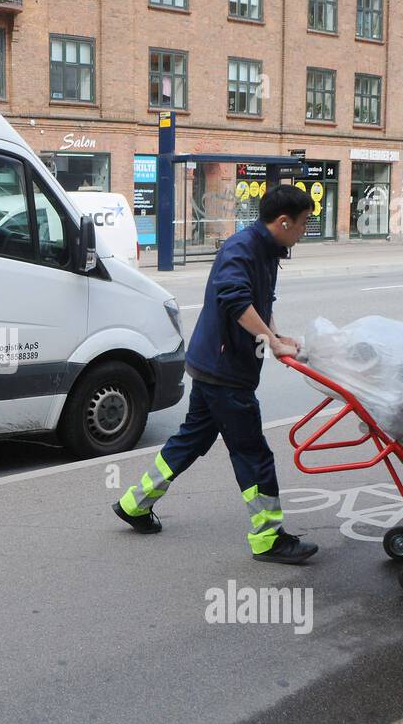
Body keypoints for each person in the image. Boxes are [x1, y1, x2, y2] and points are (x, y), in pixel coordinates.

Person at [112, 184, 319, 564]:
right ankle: (268, 538)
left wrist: (276, 335)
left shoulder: (266, 250)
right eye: (304, 222)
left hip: (214, 366)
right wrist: (271, 342)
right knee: (253, 454)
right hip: (226, 372)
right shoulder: (242, 248)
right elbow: (236, 302)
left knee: (190, 440)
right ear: (284, 221)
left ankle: (134, 503)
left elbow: (260, 303)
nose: (305, 230)